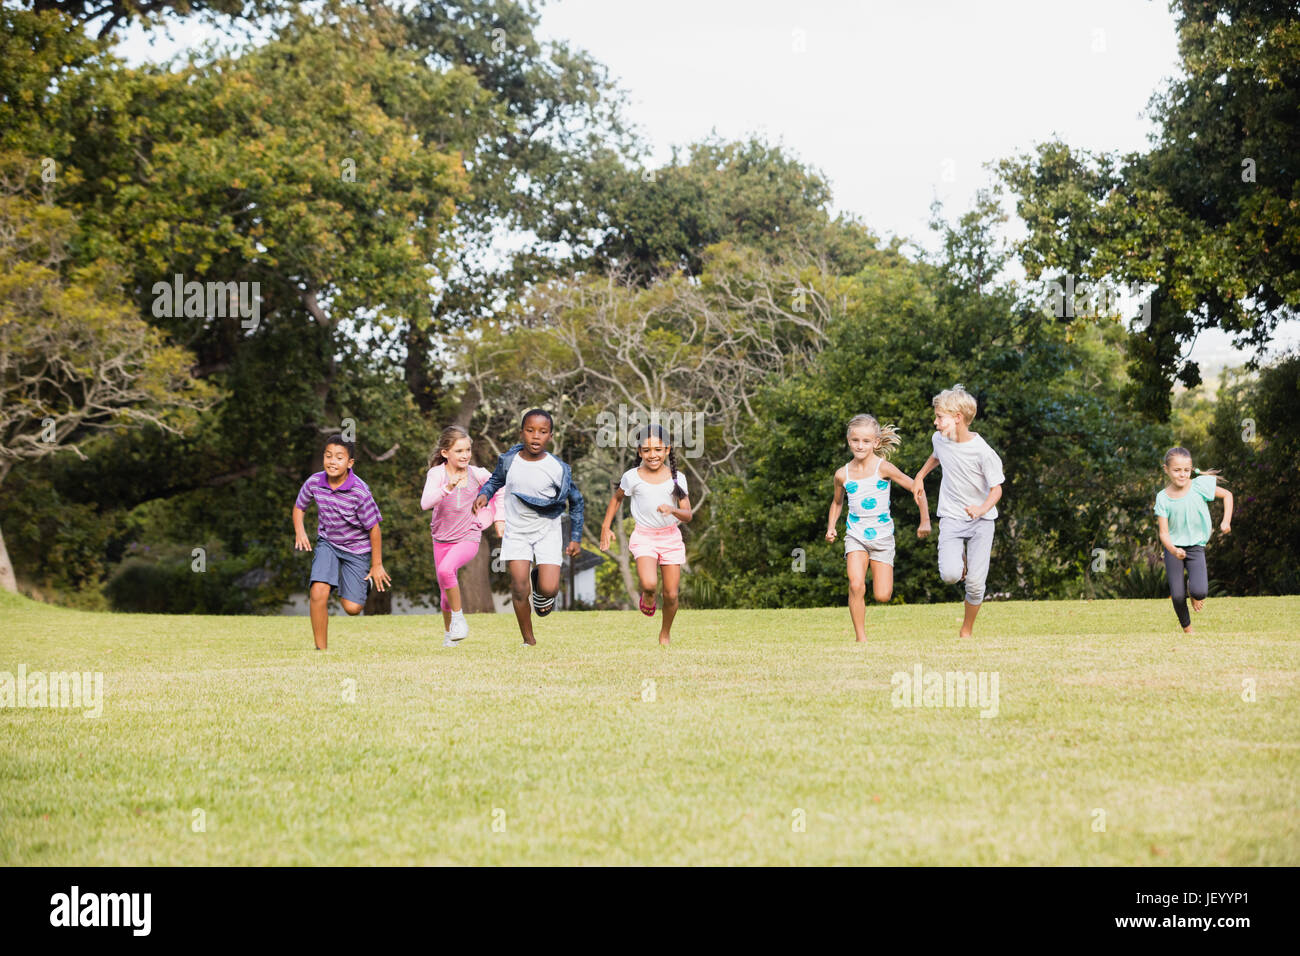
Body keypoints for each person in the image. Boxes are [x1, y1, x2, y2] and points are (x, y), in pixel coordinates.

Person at [473, 409, 584, 646]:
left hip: (548, 530)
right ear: (521, 432)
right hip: (517, 532)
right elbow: (495, 480)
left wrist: (575, 537)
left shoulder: (557, 468)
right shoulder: (509, 461)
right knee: (519, 587)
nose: (535, 436)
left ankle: (541, 581)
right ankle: (529, 640)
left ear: (550, 436)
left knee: (549, 588)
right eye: (530, 430)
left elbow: (576, 501)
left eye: (542, 432)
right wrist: (484, 494)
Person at [911, 385, 1005, 639]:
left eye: (940, 417)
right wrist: (919, 476)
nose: (935, 422)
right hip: (952, 517)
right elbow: (936, 456)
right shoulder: (939, 439)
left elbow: (997, 490)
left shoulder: (984, 452)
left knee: (975, 584)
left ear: (958, 418)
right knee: (950, 575)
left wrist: (981, 508)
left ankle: (966, 630)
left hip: (982, 521)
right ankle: (959, 561)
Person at [825, 414, 929, 642]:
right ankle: (860, 639)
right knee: (856, 584)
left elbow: (917, 488)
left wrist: (925, 520)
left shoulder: (884, 468)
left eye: (865, 441)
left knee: (882, 595)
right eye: (855, 440)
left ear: (876, 442)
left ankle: (875, 601)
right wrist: (832, 526)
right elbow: (837, 502)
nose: (859, 446)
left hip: (882, 538)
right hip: (856, 536)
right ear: (848, 440)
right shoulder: (842, 474)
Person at [292, 434, 390, 650]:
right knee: (318, 591)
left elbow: (374, 529)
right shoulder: (315, 482)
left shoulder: (359, 491)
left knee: (352, 608)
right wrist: (300, 531)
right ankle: (321, 651)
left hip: (358, 549)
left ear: (350, 463)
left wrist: (377, 565)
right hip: (329, 543)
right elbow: (300, 506)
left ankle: (356, 583)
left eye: (338, 457)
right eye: (328, 456)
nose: (332, 461)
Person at [600, 424, 692, 645]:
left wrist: (673, 510)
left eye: (658, 450)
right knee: (649, 584)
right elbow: (617, 499)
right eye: (647, 450)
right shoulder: (633, 477)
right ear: (639, 452)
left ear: (668, 450)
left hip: (670, 537)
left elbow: (687, 515)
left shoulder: (677, 478)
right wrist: (606, 526)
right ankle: (648, 597)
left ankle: (665, 633)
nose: (653, 455)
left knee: (671, 595)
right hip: (645, 537)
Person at [421, 426, 504, 647]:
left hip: (469, 535)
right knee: (445, 592)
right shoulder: (437, 474)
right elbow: (425, 503)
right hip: (441, 538)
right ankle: (450, 635)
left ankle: (459, 620)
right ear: (445, 453)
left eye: (468, 450)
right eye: (459, 451)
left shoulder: (477, 473)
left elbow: (500, 487)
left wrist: (499, 518)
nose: (465, 455)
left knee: (446, 570)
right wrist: (447, 488)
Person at [1154, 446, 1233, 633]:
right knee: (1177, 595)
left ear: (1191, 469)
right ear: (1166, 469)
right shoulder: (1162, 498)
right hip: (1173, 548)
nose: (1182, 474)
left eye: (1186, 470)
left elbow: (1227, 495)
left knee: (1199, 592)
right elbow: (1163, 533)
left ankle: (1193, 590)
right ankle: (1188, 630)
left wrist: (1226, 521)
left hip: (1196, 546)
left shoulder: (1199, 486)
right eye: (1177, 470)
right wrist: (1173, 550)